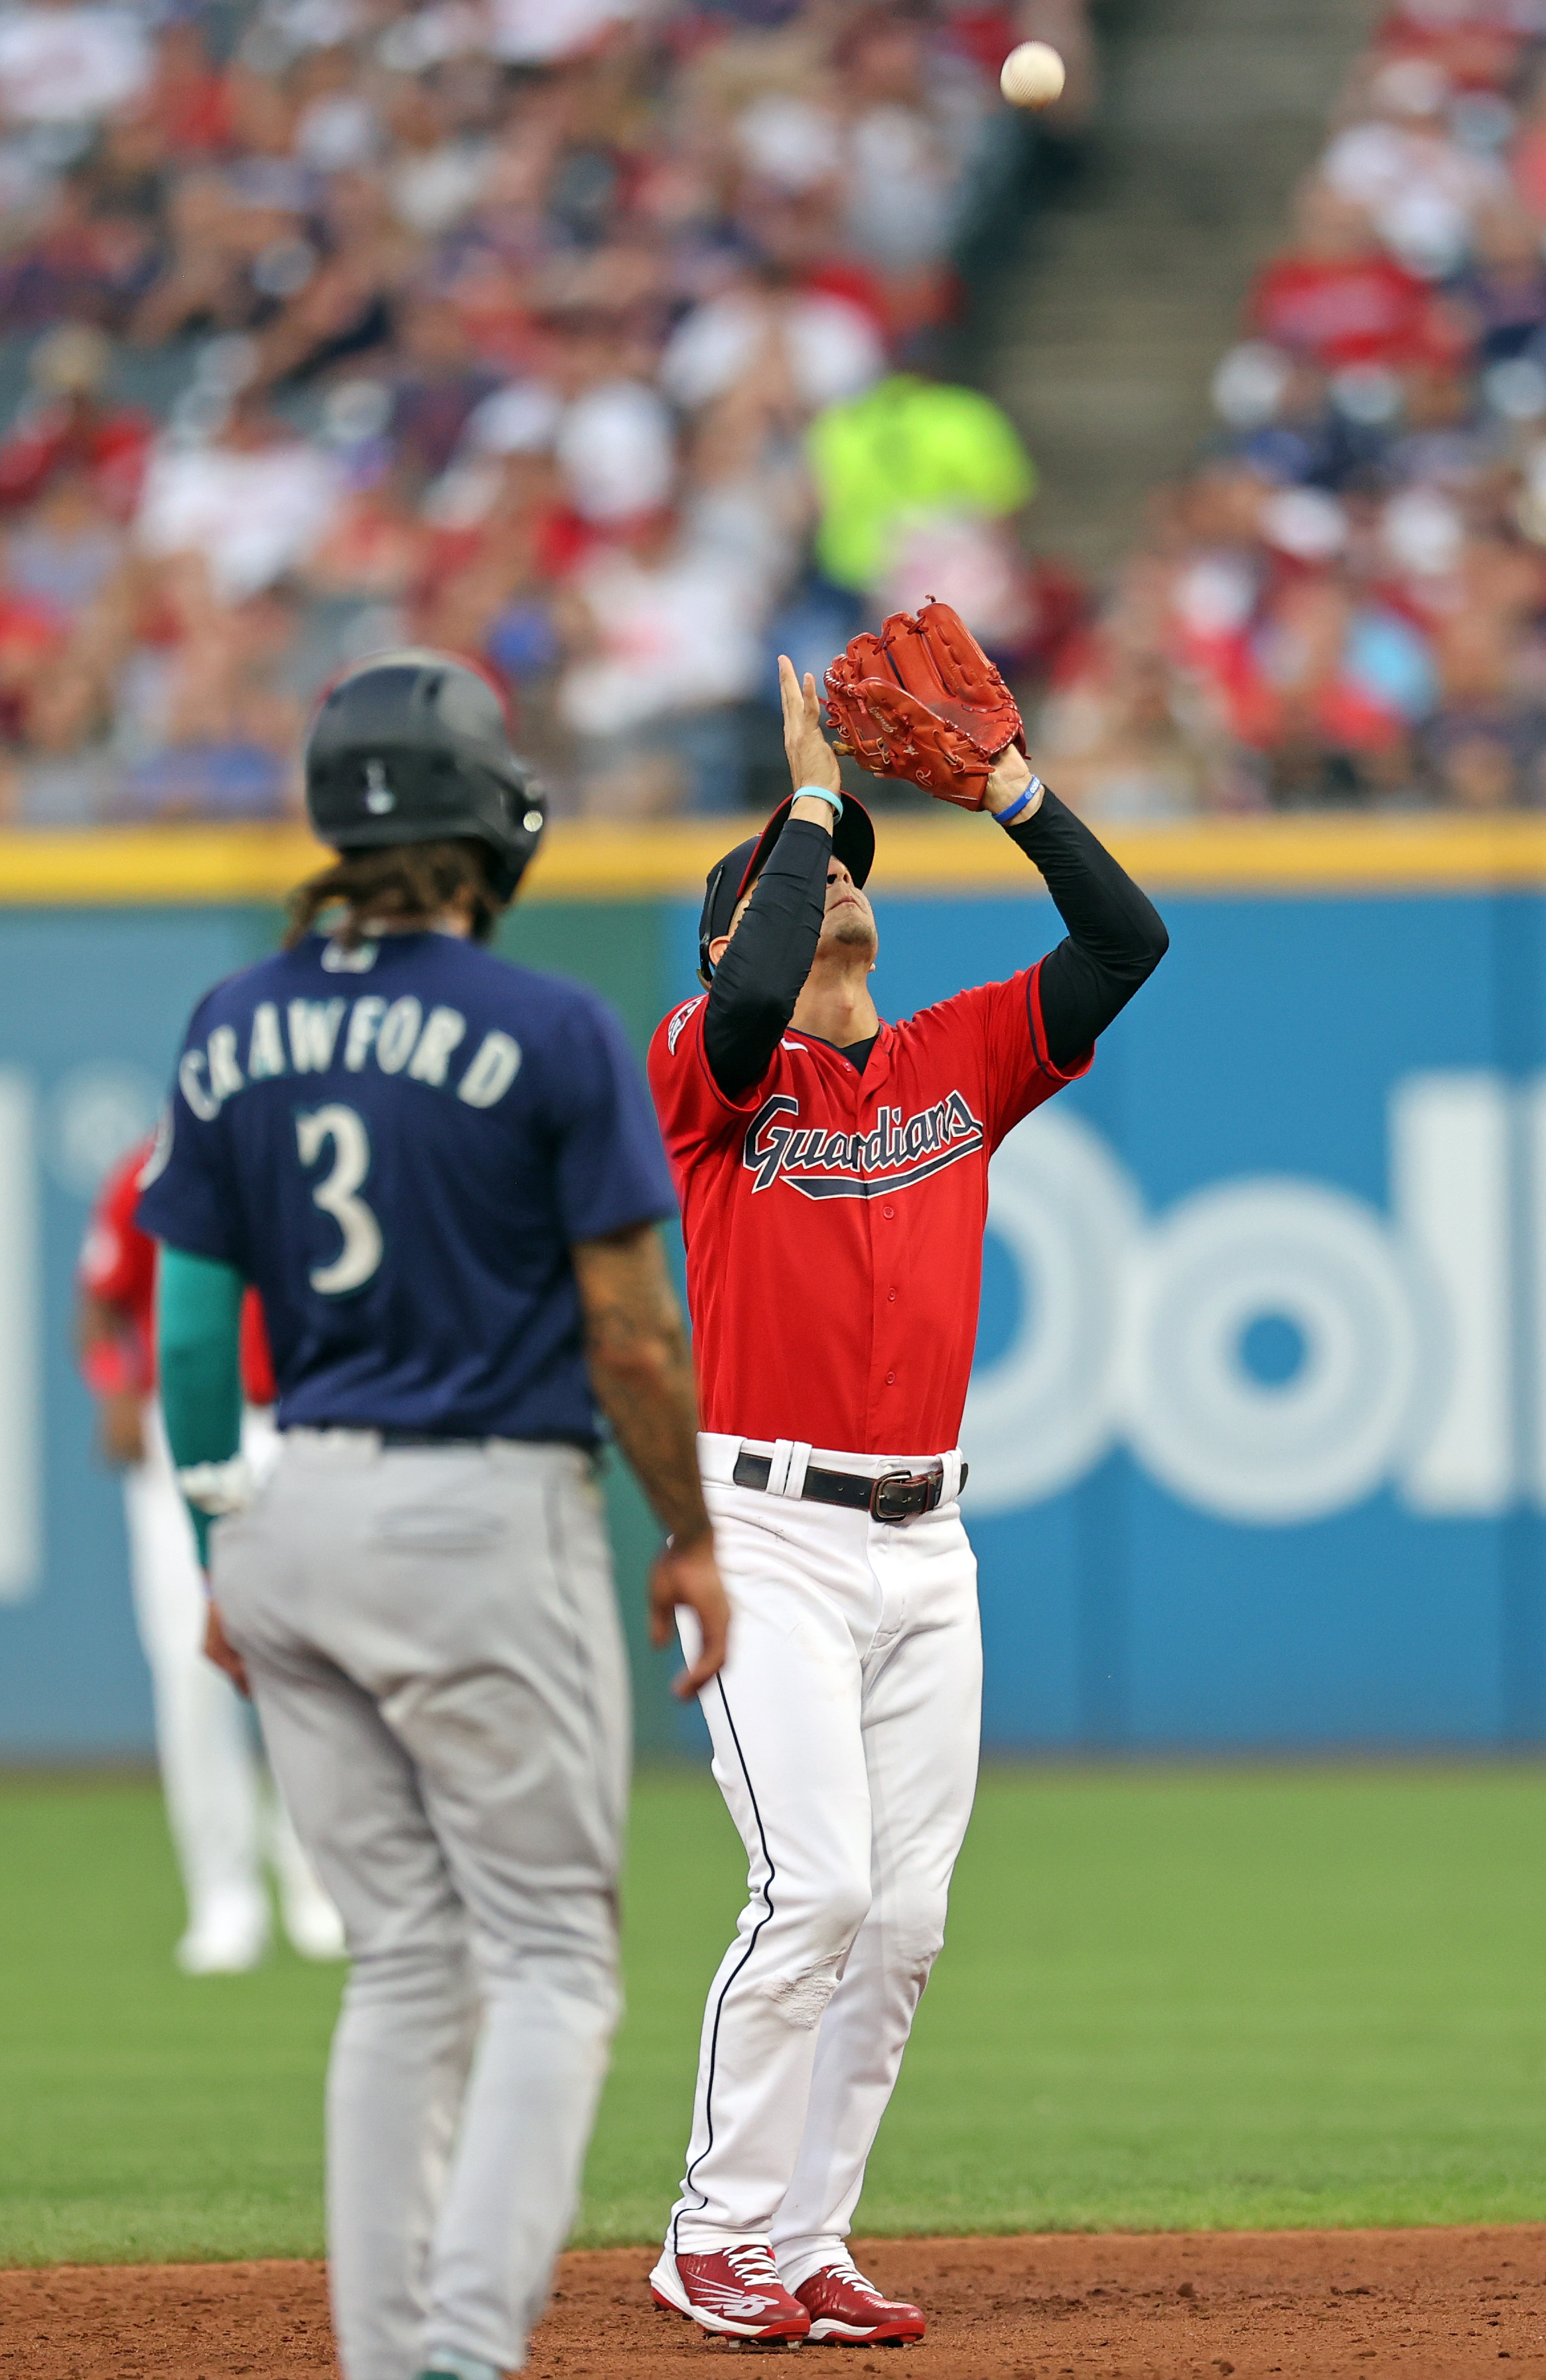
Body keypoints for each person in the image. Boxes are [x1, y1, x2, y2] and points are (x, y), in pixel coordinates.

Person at [135, 649, 730, 2380]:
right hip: (478, 1513)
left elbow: (189, 1329)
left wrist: (211, 1551)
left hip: (291, 1506)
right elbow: (629, 1327)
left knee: (403, 1962)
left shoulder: (231, 1020)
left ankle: (394, 2358)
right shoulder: (547, 1025)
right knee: (548, 1958)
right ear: (492, 821)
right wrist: (689, 1528)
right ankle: (463, 2352)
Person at [644, 637, 1168, 2346]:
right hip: (767, 1535)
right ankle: (706, 2233)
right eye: (802, 894)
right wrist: (807, 798)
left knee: (907, 1919)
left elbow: (1124, 942)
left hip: (922, 1542)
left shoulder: (957, 1061)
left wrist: (1010, 794)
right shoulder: (706, 1082)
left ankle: (806, 2236)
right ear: (736, 935)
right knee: (816, 1889)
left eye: (853, 884)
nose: (837, 908)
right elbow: (741, 997)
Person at [77, 1140, 344, 1973]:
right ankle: (223, 1898)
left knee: (313, 1658)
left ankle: (322, 1885)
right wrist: (115, 1384)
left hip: (301, 1418)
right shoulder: (154, 1166)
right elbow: (99, 1304)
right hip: (183, 1423)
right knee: (191, 1666)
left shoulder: (326, 1148)